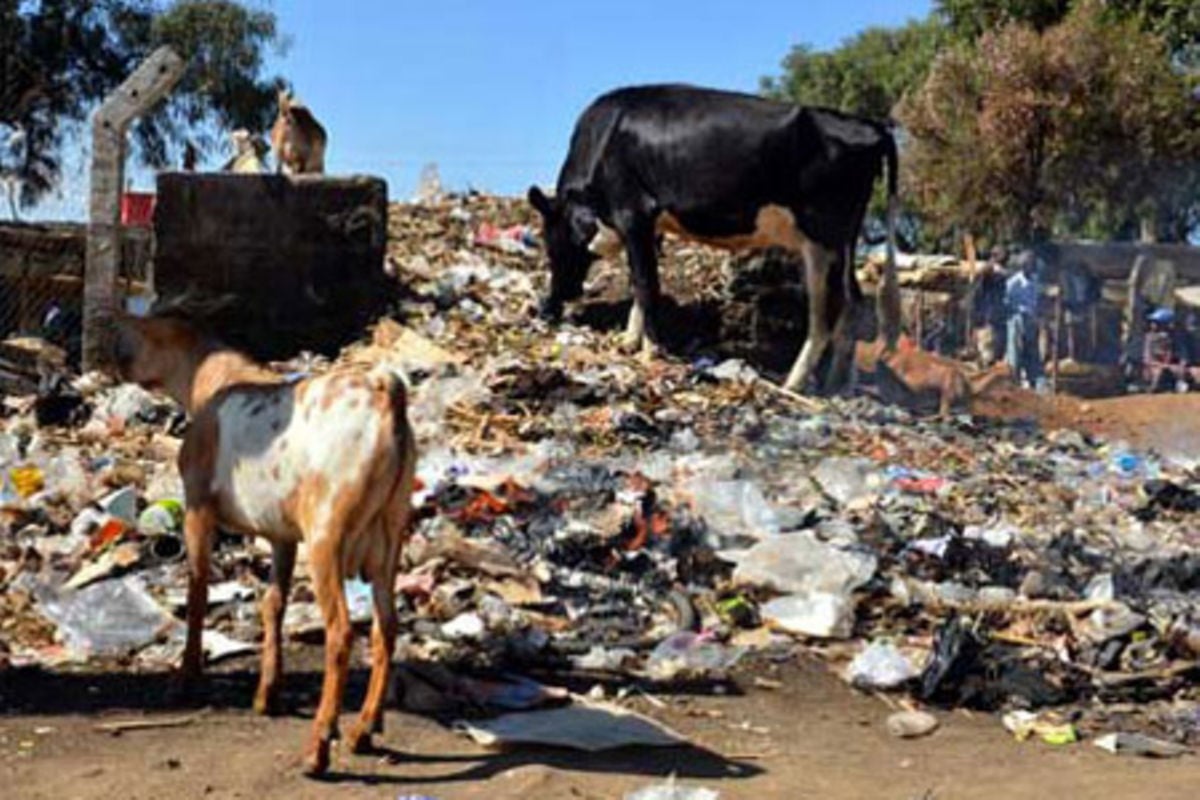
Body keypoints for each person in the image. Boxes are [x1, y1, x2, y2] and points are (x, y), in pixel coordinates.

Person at [1004, 250, 1044, 389]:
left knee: (1033, 352)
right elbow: (1006, 302)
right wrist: (1019, 311)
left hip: (1031, 320)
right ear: (1025, 266)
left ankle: (1035, 383)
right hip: (1017, 320)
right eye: (1031, 264)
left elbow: (1037, 299)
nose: (1033, 267)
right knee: (1015, 353)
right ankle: (1013, 382)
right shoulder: (1014, 283)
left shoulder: (1035, 280)